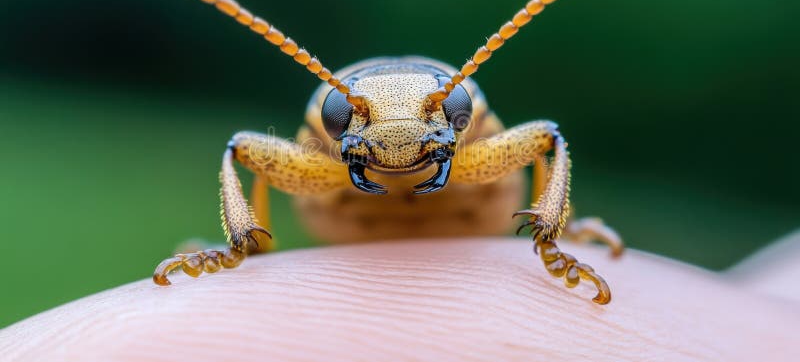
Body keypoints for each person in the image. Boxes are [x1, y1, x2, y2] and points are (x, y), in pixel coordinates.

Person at [1, 235, 798, 361]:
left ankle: (554, 239)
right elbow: (248, 154)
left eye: (440, 123)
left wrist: (549, 243)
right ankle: (247, 242)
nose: (399, 143)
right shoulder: (301, 154)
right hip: (341, 227)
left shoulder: (499, 143)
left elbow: (539, 142)